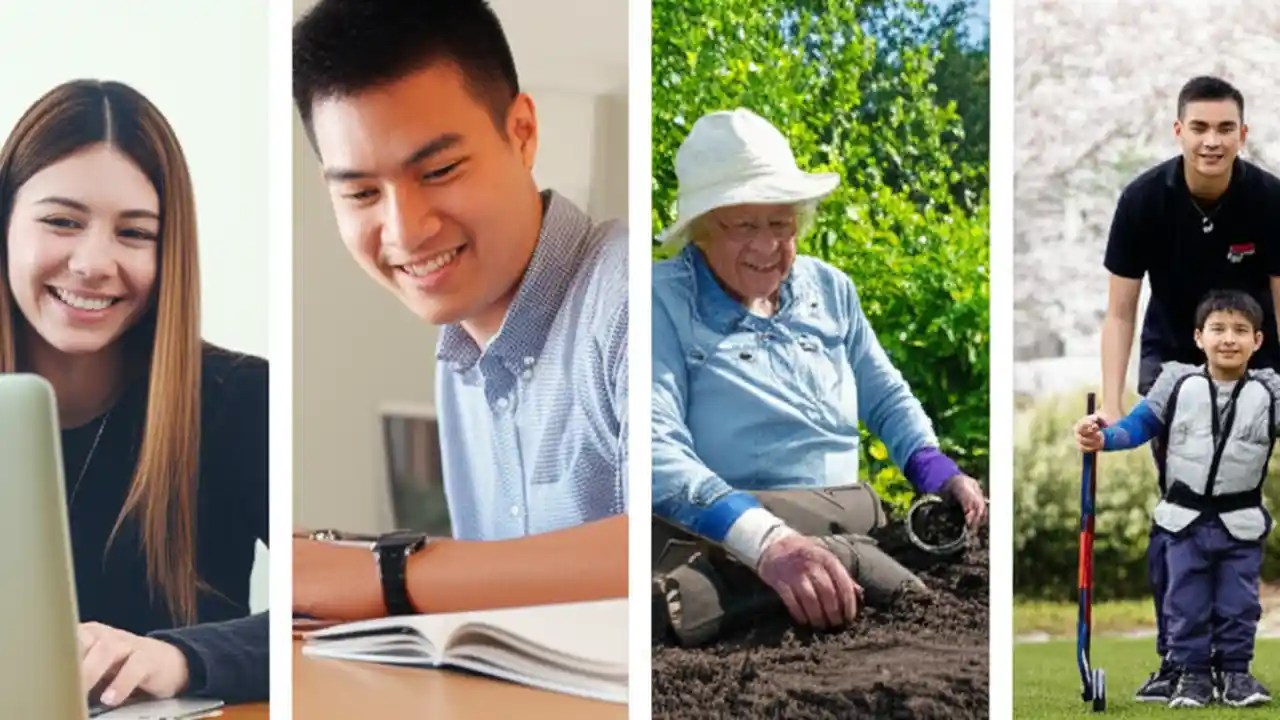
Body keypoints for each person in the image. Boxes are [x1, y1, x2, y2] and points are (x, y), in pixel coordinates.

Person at [290, 0, 628, 620]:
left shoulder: (625, 298)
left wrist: (384, 573)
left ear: (521, 133)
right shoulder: (459, 358)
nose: (406, 230)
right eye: (362, 192)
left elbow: (673, 546)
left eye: (440, 170)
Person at [651, 108, 987, 637]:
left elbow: (886, 395)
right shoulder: (660, 300)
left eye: (780, 223)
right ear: (701, 230)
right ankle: (844, 562)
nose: (766, 245)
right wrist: (767, 542)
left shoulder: (830, 289)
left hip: (847, 508)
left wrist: (936, 471)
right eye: (743, 225)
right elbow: (655, 450)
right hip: (729, 523)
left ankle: (836, 559)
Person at [0, 80, 268, 707]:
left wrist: (178, 657)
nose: (93, 262)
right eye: (62, 222)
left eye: (135, 233)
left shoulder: (238, 400)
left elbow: (319, 618)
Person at [1099, 75, 1280, 701]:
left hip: (1255, 367)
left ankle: (1231, 662)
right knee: (1180, 508)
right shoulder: (1143, 200)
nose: (1211, 140)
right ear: (1178, 131)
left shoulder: (1269, 198)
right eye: (1199, 127)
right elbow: (1120, 311)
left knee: (1237, 508)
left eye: (1224, 128)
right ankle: (1179, 662)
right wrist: (1116, 402)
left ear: (1242, 134)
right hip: (1172, 367)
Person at [1077, 290, 1275, 708]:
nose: (1228, 339)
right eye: (1218, 329)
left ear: (1257, 341)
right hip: (1182, 522)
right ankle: (1192, 676)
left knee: (1239, 604)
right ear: (1199, 337)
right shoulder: (1175, 382)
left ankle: (1236, 675)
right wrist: (1101, 437)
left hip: (1241, 521)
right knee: (1185, 602)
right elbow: (1134, 428)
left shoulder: (1271, 391)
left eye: (1241, 331)